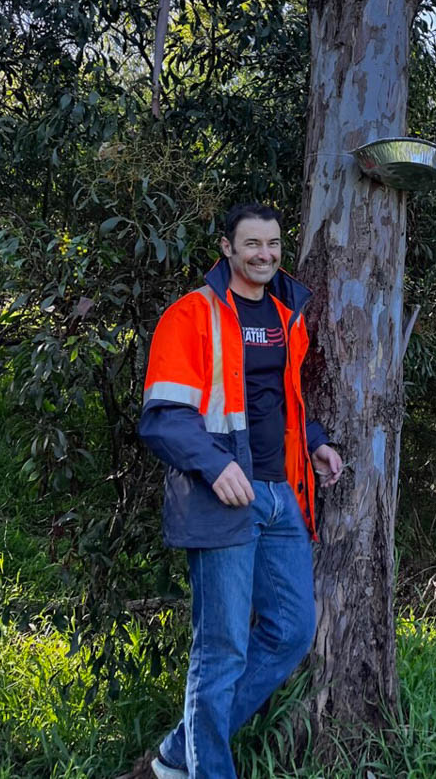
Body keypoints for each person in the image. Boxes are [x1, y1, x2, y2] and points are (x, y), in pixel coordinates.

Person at [138, 202, 343, 779]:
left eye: (273, 244)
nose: (265, 255)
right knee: (221, 650)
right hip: (222, 498)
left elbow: (280, 401)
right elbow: (163, 416)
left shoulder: (285, 312)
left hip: (282, 496)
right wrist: (214, 465)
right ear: (226, 247)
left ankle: (184, 750)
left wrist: (317, 442)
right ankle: (204, 767)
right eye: (252, 244)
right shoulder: (192, 315)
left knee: (293, 630)